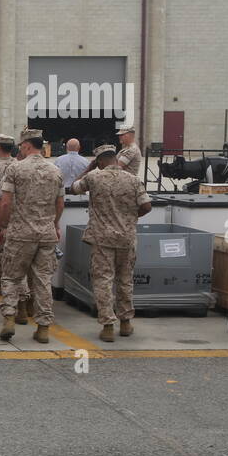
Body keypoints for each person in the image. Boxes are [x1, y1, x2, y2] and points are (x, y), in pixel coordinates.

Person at [69, 144, 152, 341]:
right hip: (126, 238)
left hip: (102, 239)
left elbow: (73, 188)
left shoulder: (93, 177)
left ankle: (107, 326)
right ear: (115, 158)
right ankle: (125, 323)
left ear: (99, 162)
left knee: (103, 280)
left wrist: (89, 169)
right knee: (125, 279)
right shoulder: (133, 180)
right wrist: (131, 218)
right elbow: (147, 206)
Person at [0, 128, 65, 343]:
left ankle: (9, 318)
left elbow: (5, 202)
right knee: (43, 280)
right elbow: (60, 203)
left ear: (25, 146)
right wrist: (53, 224)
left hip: (20, 233)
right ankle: (43, 328)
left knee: (12, 277)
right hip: (46, 234)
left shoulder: (16, 169)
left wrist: (2, 225)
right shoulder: (55, 171)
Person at [0, 134, 29, 317]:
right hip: (20, 219)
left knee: (0, 252)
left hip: (0, 217)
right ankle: (24, 296)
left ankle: (3, 284)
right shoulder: (20, 166)